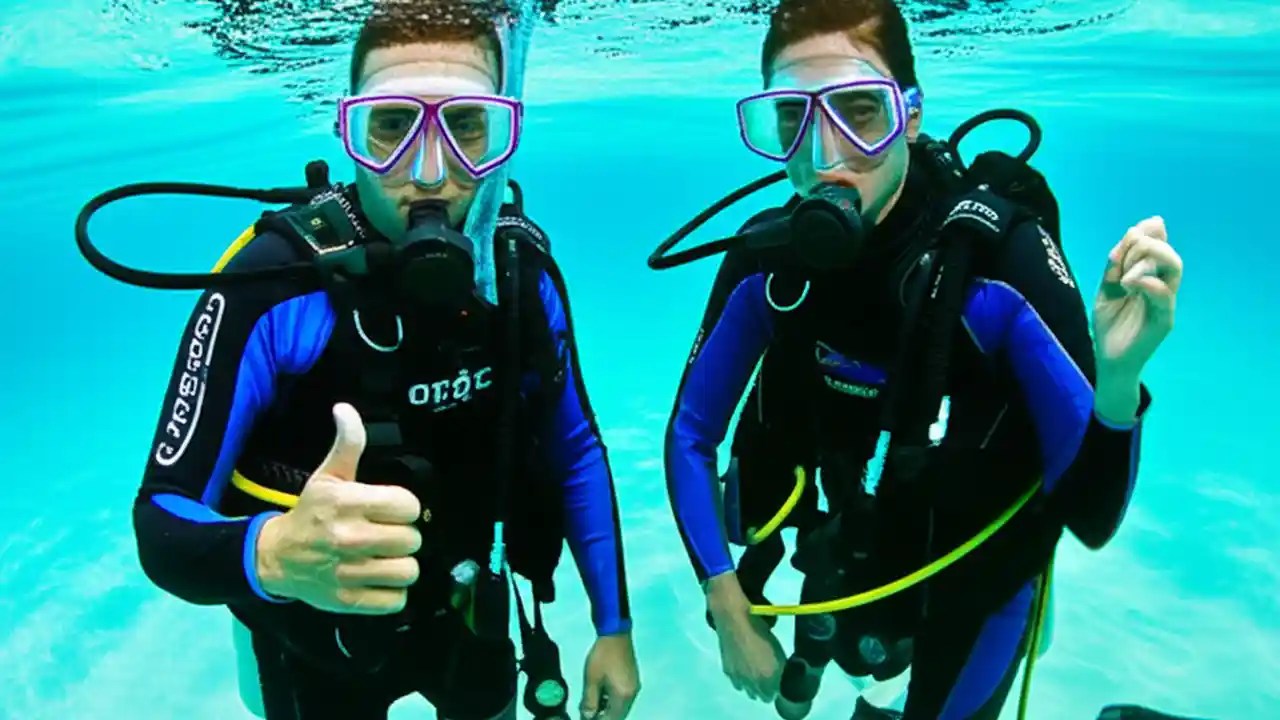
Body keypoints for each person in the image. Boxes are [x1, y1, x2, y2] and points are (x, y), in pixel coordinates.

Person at [656, 0, 1183, 718]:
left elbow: (1090, 517)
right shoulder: (766, 263)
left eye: (859, 112)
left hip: (977, 580)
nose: (824, 156)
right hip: (851, 543)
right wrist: (725, 597)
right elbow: (690, 431)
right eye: (793, 118)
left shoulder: (998, 260)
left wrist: (1120, 379)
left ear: (910, 114)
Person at [123, 2, 639, 719]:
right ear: (349, 133)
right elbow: (162, 517)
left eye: (465, 125)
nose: (429, 173)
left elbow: (575, 448)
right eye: (392, 125)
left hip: (466, 615)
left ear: (502, 136)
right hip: (308, 644)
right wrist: (271, 555)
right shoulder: (272, 285)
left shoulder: (521, 274)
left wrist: (615, 628)